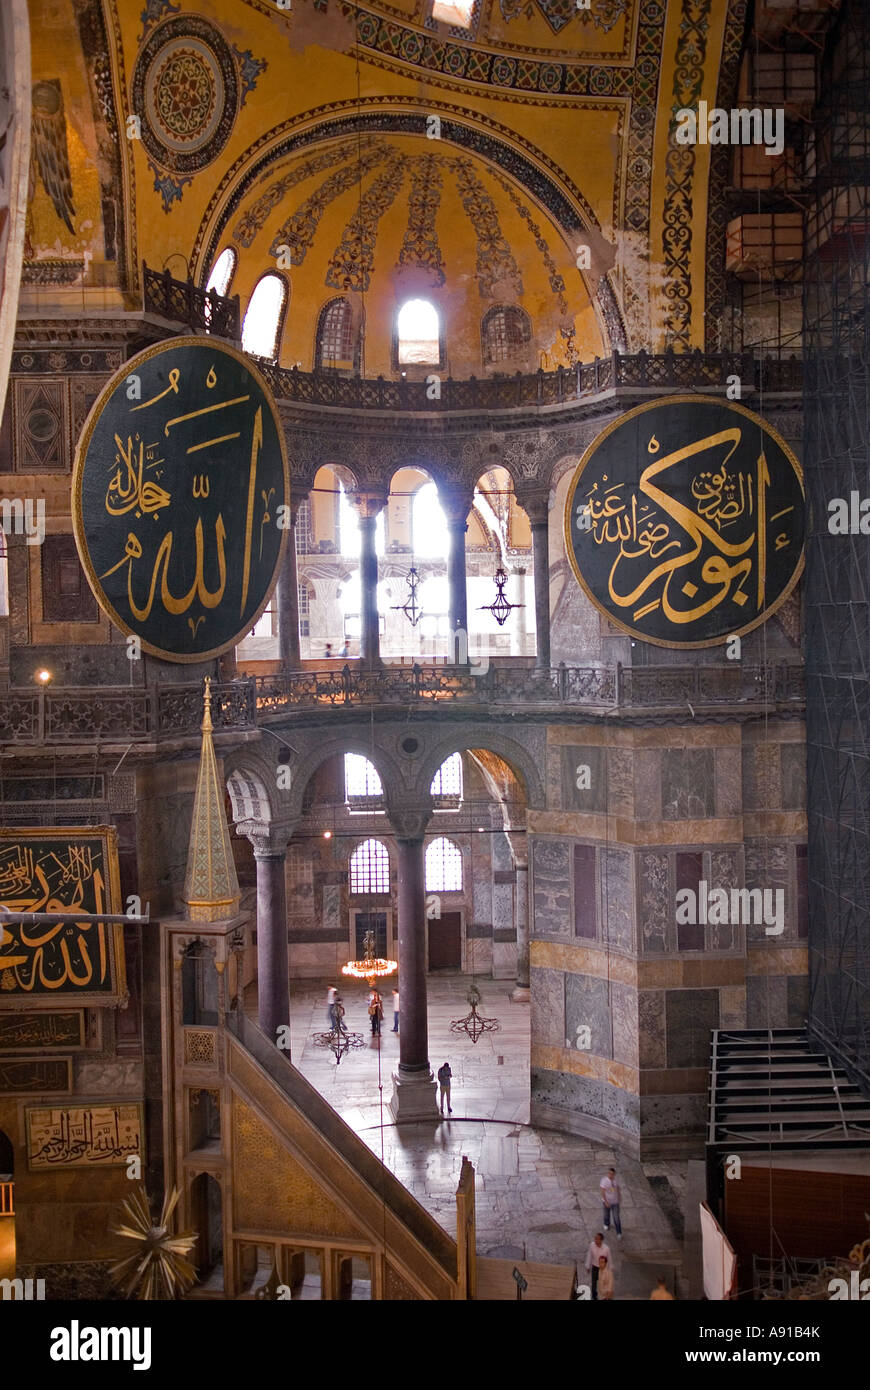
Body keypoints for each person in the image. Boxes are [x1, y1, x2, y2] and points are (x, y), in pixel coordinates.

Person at [584, 1233, 612, 1301]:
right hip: (595, 1268)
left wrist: (609, 1269)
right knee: (594, 1284)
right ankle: (594, 1296)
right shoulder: (592, 1245)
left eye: (597, 1239)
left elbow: (609, 1259)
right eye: (595, 1238)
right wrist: (588, 1266)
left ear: (601, 1240)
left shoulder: (606, 1249)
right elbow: (589, 1255)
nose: (595, 1240)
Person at [600, 1167, 622, 1238]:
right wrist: (606, 1202)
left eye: (612, 1174)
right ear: (608, 1173)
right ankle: (606, 1224)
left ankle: (619, 1232)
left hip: (615, 1202)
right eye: (609, 1173)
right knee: (606, 1215)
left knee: (616, 1217)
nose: (610, 1175)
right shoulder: (604, 1181)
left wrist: (619, 1195)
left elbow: (618, 1187)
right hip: (607, 1201)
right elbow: (602, 1192)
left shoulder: (616, 1180)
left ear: (614, 1174)